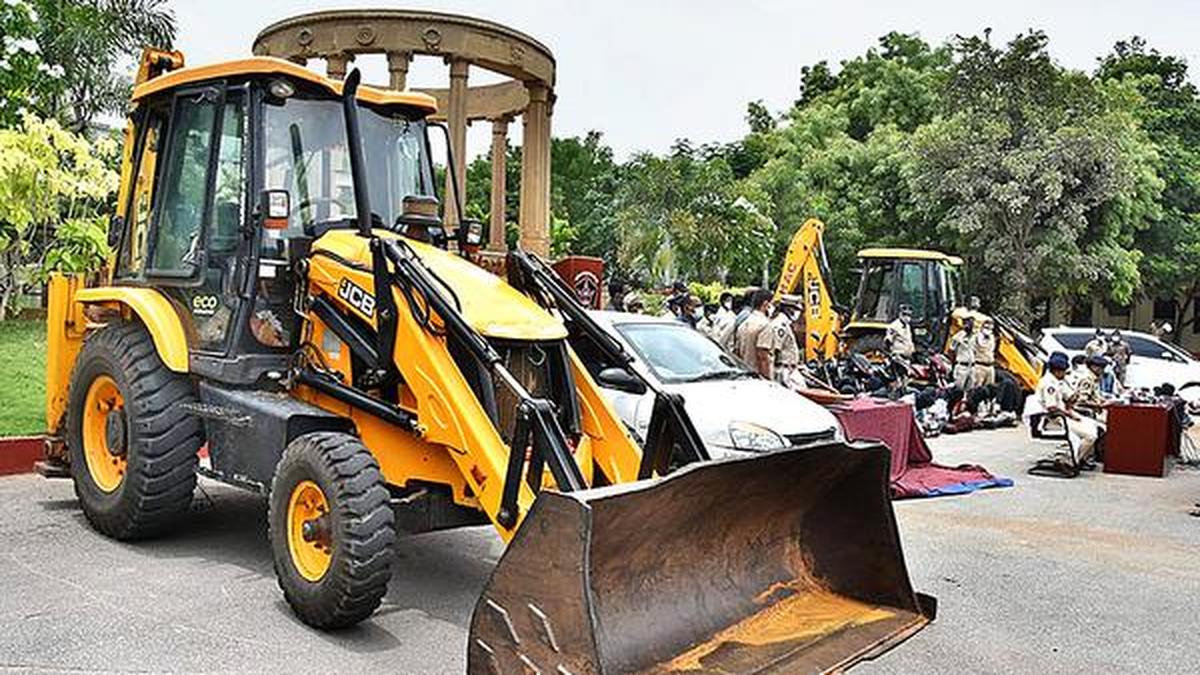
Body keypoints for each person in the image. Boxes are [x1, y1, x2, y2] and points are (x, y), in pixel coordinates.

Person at [1036, 351, 1100, 469]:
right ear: (1057, 371)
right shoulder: (1049, 384)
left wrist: (1074, 395)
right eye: (1063, 371)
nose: (1065, 374)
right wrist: (1070, 415)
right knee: (1090, 436)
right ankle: (1072, 461)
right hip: (1054, 419)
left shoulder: (1059, 381)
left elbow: (1069, 398)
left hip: (1063, 415)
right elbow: (1052, 408)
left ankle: (1079, 458)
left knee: (1093, 425)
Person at [734, 289, 774, 378]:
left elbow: (737, 353)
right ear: (766, 304)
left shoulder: (744, 323)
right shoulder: (764, 325)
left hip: (746, 374)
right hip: (758, 375)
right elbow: (762, 356)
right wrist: (766, 380)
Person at [764, 297, 803, 384]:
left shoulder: (786, 323)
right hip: (783, 370)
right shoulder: (780, 324)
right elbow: (774, 350)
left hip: (789, 368)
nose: (797, 313)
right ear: (788, 308)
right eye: (795, 309)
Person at [949, 317, 977, 391]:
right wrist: (953, 365)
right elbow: (951, 350)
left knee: (970, 390)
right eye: (967, 323)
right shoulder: (958, 337)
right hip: (962, 367)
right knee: (958, 390)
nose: (969, 325)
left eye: (971, 323)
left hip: (972, 367)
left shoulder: (975, 337)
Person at [972, 317, 997, 387]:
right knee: (977, 389)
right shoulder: (976, 337)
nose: (988, 329)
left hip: (990, 367)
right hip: (979, 366)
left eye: (990, 328)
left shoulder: (992, 338)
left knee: (989, 389)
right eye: (986, 327)